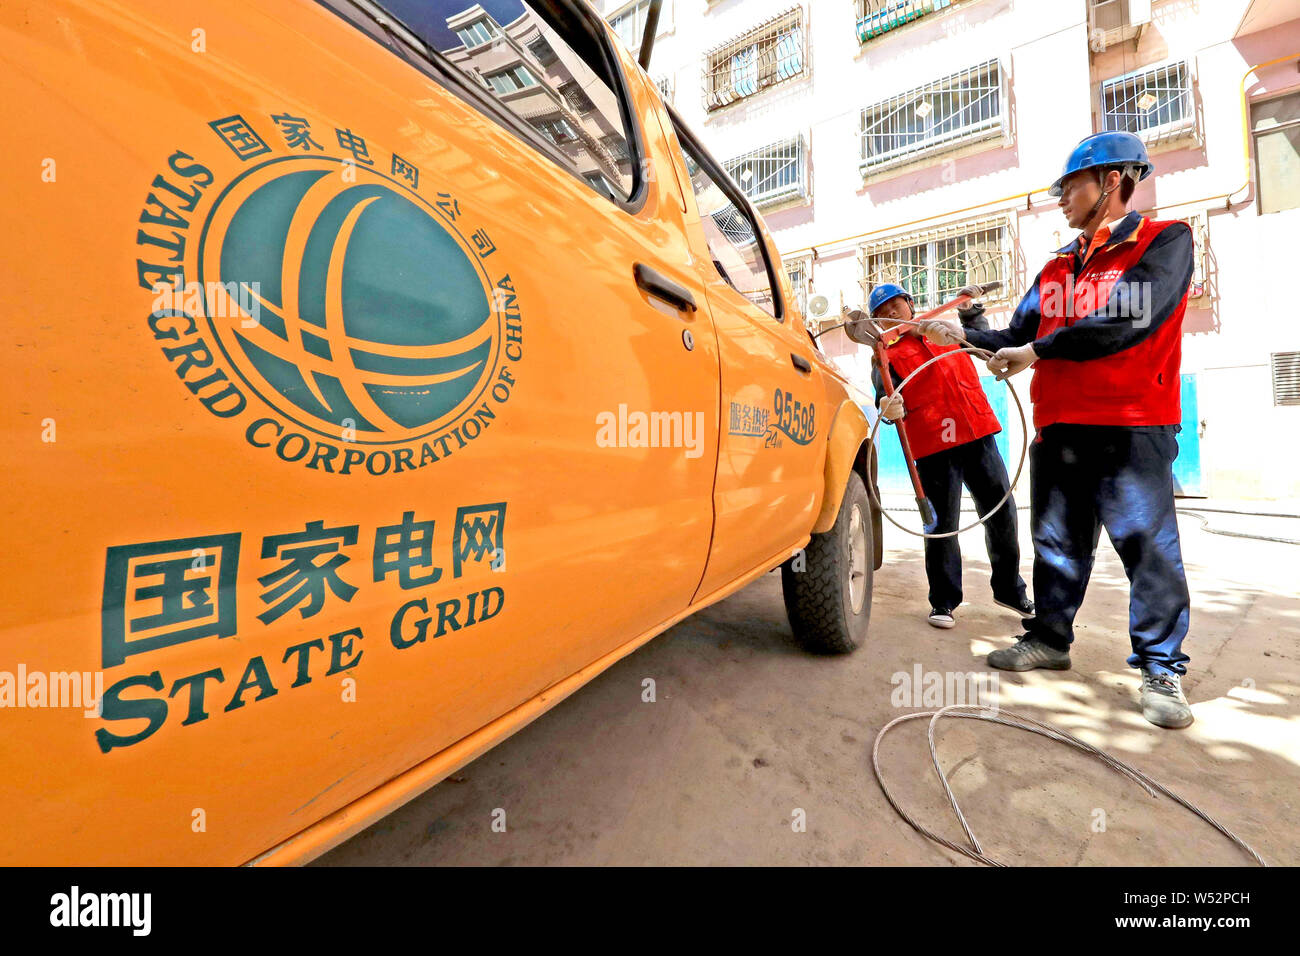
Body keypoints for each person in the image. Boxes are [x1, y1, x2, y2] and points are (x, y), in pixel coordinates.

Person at [919, 130, 1197, 729]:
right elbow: (1014, 338)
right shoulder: (1055, 268)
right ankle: (1050, 639)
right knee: (1057, 545)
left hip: (1132, 428)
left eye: (1072, 185)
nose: (1063, 197)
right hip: (1060, 432)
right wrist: (963, 335)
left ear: (1115, 182)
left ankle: (1161, 667)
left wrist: (1038, 352)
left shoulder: (1164, 241)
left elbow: (1128, 317)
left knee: (1147, 548)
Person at [868, 282, 1033, 629]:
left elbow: (983, 341)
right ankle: (943, 601)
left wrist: (970, 308)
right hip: (933, 445)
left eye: (894, 306)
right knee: (942, 526)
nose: (889, 314)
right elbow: (884, 394)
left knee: (1001, 513)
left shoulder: (943, 331)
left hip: (977, 432)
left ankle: (1009, 589)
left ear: (910, 303)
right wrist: (887, 404)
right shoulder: (886, 352)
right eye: (881, 313)